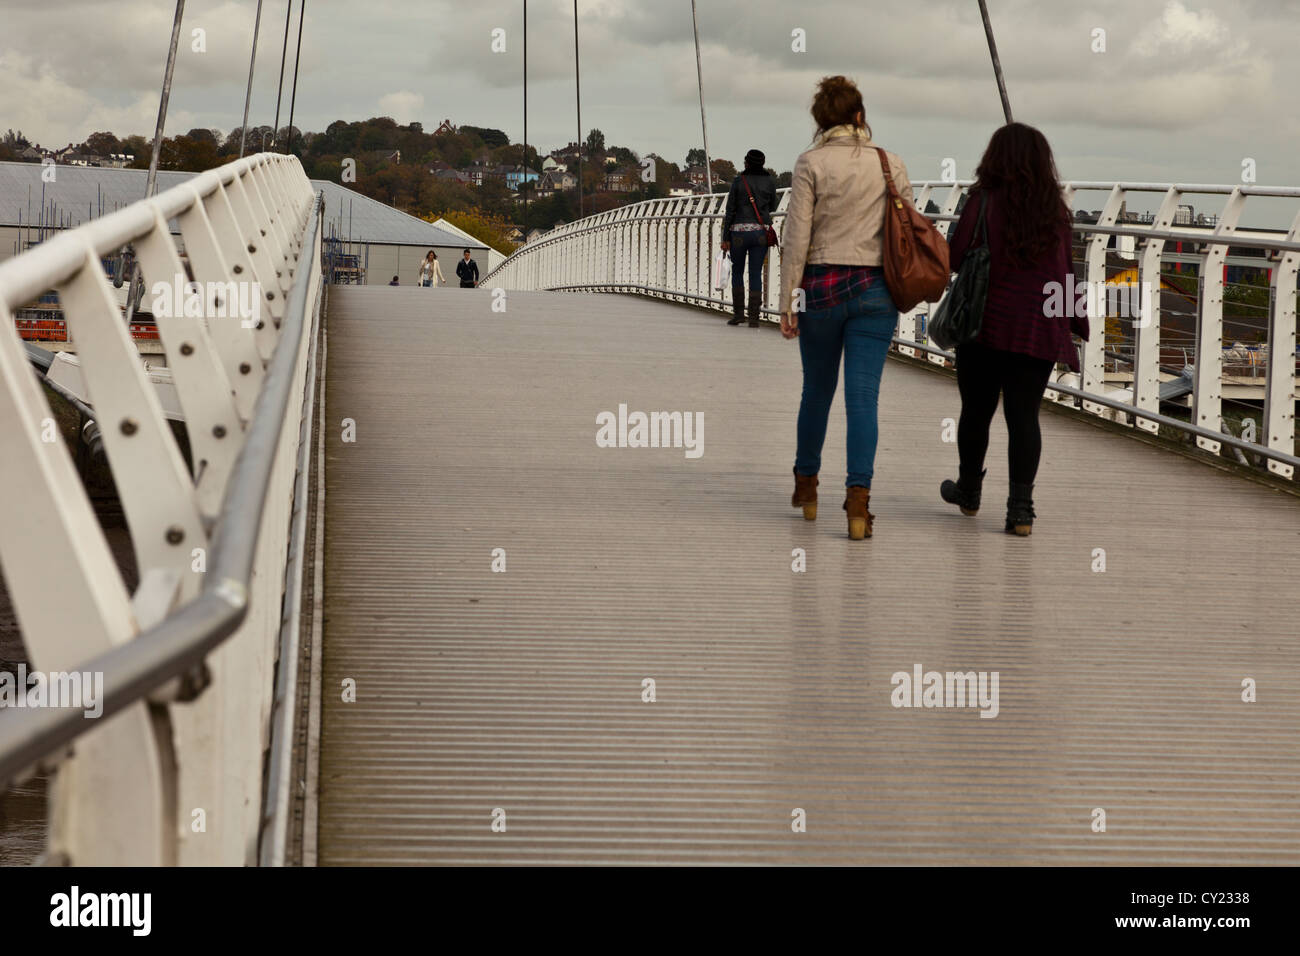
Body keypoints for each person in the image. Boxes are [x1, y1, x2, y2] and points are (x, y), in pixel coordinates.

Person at [939, 122, 1089, 536]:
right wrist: (1074, 320)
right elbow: (1065, 270)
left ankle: (969, 491)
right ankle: (1021, 510)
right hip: (1038, 327)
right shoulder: (1055, 211)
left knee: (976, 411)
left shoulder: (982, 201)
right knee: (1025, 416)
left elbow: (956, 256)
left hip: (985, 323)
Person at [779, 75, 912, 540]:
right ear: (860, 116)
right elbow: (906, 232)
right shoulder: (889, 163)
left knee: (816, 392)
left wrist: (788, 301)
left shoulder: (809, 163)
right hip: (876, 292)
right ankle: (858, 506)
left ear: (821, 122)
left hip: (820, 290)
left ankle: (807, 487)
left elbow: (797, 237)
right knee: (863, 399)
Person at [720, 149, 776, 327]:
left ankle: (738, 314)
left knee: (737, 272)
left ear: (747, 163)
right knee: (755, 273)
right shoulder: (769, 181)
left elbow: (730, 210)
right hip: (760, 233)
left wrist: (725, 237)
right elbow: (772, 205)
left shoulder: (738, 181)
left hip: (739, 233)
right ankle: (754, 317)